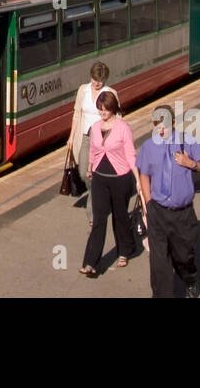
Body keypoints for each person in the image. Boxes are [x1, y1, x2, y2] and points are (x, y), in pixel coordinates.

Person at [137, 105, 200, 298]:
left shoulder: (187, 141)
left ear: (173, 123)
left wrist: (191, 164)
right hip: (158, 212)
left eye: (164, 125)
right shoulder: (148, 147)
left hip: (183, 214)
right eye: (156, 126)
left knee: (183, 256)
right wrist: (148, 204)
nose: (160, 130)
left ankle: (190, 278)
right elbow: (144, 175)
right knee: (159, 263)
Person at [79, 91, 139, 277]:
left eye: (105, 109)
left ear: (113, 109)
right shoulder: (95, 127)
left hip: (120, 177)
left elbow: (130, 153)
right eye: (100, 109)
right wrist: (89, 168)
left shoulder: (123, 128)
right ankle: (90, 262)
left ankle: (124, 251)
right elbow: (94, 151)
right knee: (99, 219)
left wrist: (137, 179)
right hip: (100, 177)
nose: (102, 112)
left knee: (120, 217)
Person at [67, 61, 115, 221]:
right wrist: (71, 137)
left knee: (94, 173)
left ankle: (92, 213)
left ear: (105, 80)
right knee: (83, 173)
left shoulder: (110, 93)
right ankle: (100, 192)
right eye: (94, 80)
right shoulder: (83, 90)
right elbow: (77, 114)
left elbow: (118, 118)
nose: (96, 84)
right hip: (86, 138)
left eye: (99, 81)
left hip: (103, 139)